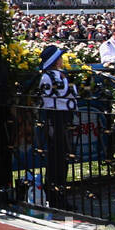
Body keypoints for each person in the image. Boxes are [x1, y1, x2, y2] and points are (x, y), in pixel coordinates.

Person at [36, 45, 77, 202]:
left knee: (64, 155)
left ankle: (60, 192)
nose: (61, 60)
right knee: (56, 156)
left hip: (65, 116)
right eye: (59, 57)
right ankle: (54, 193)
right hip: (55, 117)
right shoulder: (48, 77)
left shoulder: (61, 75)